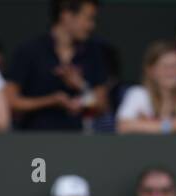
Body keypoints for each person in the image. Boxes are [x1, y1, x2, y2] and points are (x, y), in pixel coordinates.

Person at [6, 0, 108, 131]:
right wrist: (52, 100)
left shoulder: (93, 53)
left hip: (77, 141)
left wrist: (82, 86)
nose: (91, 25)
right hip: (33, 141)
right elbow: (11, 101)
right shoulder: (30, 50)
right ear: (66, 15)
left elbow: (102, 106)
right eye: (88, 18)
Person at [115, 40, 176, 134]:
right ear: (150, 70)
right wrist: (171, 126)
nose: (172, 72)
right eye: (165, 66)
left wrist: (145, 124)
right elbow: (123, 126)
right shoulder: (138, 93)